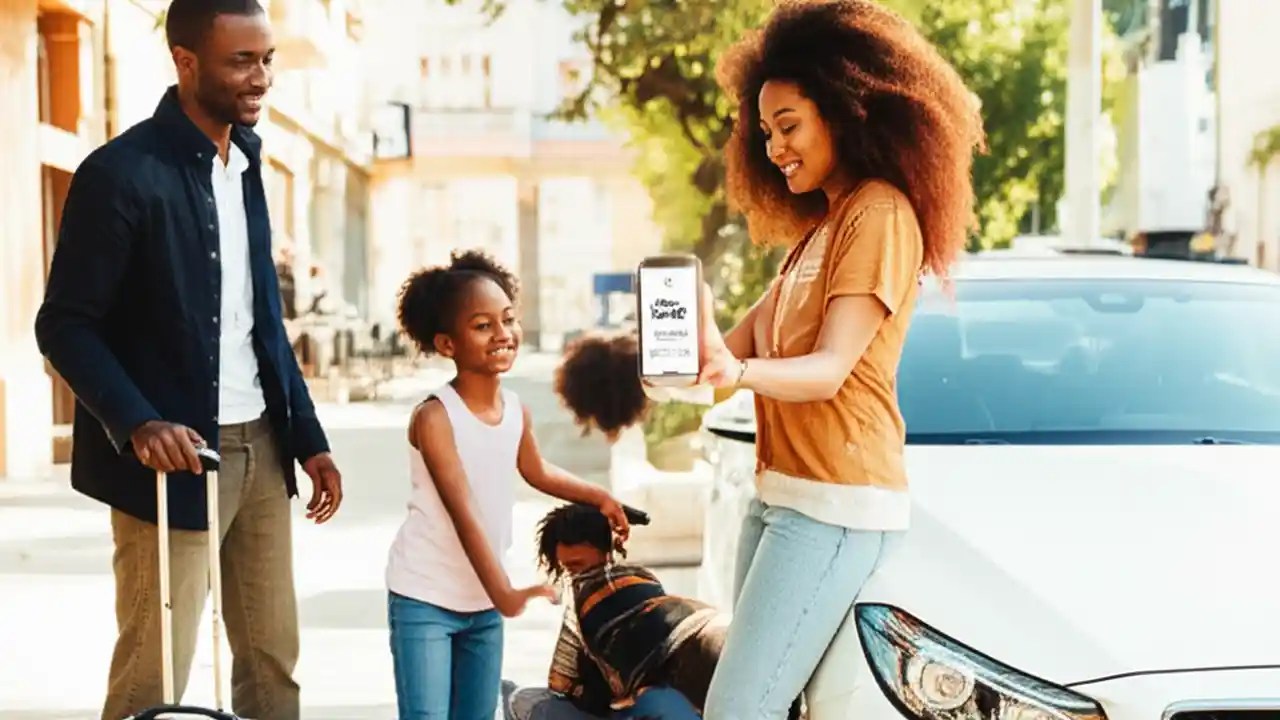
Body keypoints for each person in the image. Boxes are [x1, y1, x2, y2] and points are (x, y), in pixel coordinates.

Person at [32, 1, 344, 719]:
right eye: (242, 60)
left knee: (272, 665)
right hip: (170, 460)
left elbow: (261, 318)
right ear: (185, 62)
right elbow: (65, 324)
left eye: (267, 59)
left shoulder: (249, 161)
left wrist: (309, 438)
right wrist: (139, 422)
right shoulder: (120, 173)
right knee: (154, 675)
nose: (261, 76)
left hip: (262, 447)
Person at [695, 1, 986, 717]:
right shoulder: (817, 234)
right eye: (764, 131)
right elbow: (720, 363)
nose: (773, 147)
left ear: (848, 112)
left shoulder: (879, 214)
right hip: (781, 495)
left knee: (737, 709)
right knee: (765, 705)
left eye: (789, 125)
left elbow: (827, 369)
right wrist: (679, 335)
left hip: (837, 505)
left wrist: (735, 374)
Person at [386, 249, 633, 720]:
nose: (502, 334)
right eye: (482, 325)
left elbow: (537, 470)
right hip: (425, 597)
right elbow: (464, 515)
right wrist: (507, 594)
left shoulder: (515, 408)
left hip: (482, 600)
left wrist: (600, 496)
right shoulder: (435, 417)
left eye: (508, 319)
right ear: (446, 343)